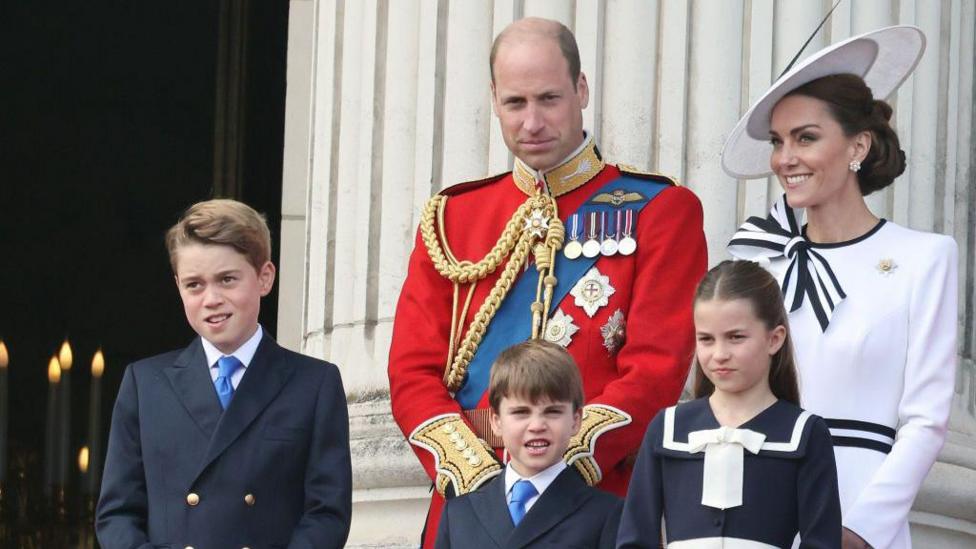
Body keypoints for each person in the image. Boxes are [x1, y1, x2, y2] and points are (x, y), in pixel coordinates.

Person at [388, 17, 707, 547]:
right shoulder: (453, 217)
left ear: (581, 90)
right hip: (467, 503)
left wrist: (560, 466)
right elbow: (410, 370)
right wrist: (476, 477)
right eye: (515, 103)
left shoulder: (659, 209)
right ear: (493, 99)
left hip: (597, 500)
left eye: (549, 99)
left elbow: (656, 368)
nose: (532, 121)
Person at [722, 26, 958, 549]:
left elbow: (925, 421)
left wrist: (858, 531)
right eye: (777, 142)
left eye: (806, 137)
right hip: (753, 507)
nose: (786, 158)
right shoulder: (756, 258)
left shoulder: (926, 258)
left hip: (861, 513)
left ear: (858, 145)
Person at [96, 199, 352, 549]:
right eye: (194, 285)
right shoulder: (144, 384)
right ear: (178, 287)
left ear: (265, 277)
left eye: (227, 279)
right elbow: (117, 515)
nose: (211, 298)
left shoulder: (314, 384)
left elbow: (327, 513)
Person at [617, 260, 841, 548]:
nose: (720, 354)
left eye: (736, 337)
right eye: (706, 339)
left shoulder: (805, 433)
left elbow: (822, 542)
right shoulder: (667, 427)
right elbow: (635, 538)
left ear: (774, 339)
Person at [435, 340, 622, 549]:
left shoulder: (608, 515)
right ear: (496, 421)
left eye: (553, 412)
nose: (537, 425)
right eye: (521, 412)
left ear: (576, 420)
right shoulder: (459, 514)